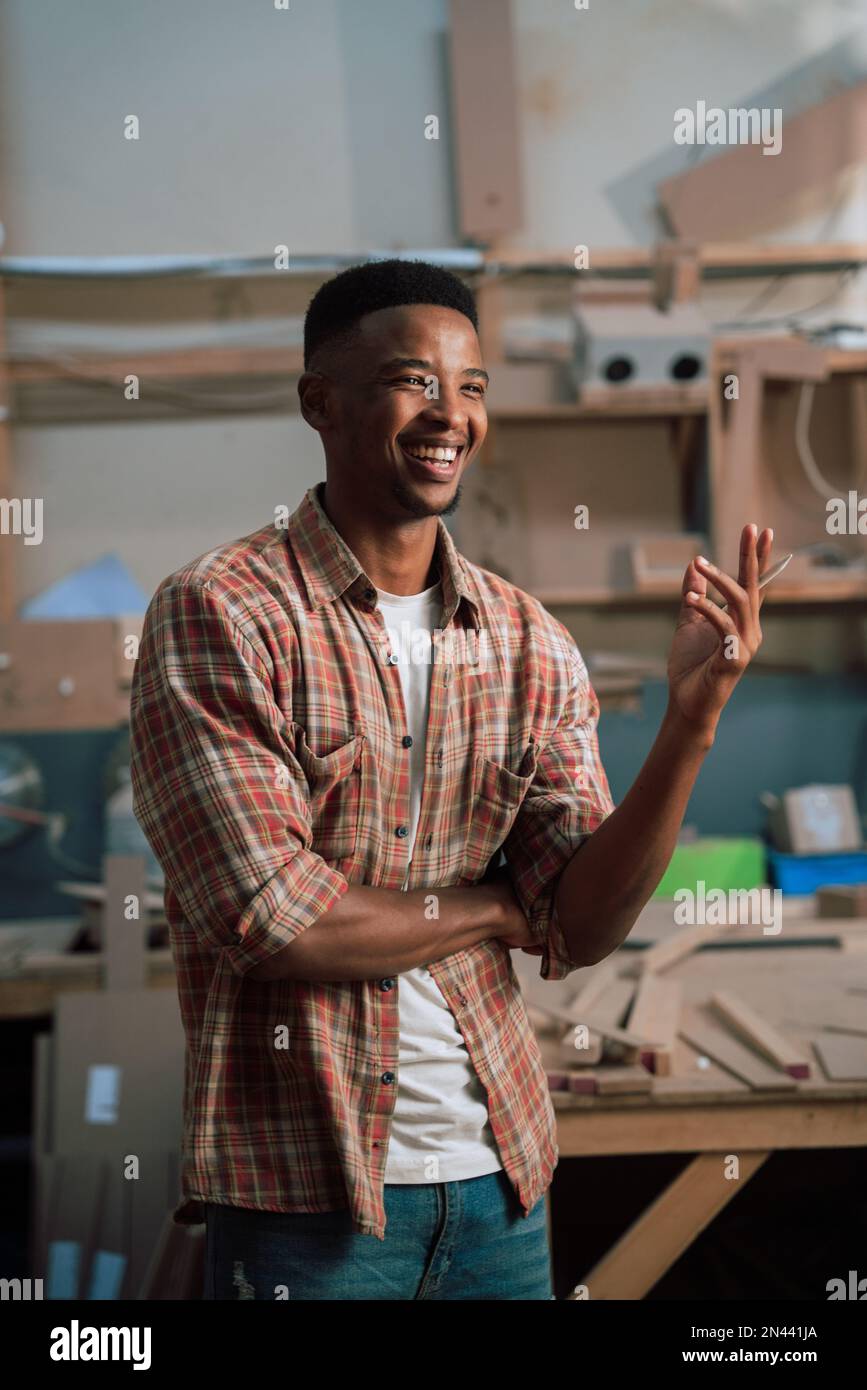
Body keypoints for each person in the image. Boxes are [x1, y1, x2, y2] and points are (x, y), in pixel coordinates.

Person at [129, 258, 771, 1300]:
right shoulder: (222, 613)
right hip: (311, 1204)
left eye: (470, 386)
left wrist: (691, 726)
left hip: (499, 1186)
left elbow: (582, 924)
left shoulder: (527, 638)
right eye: (412, 379)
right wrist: (490, 905)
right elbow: (276, 919)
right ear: (319, 402)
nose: (450, 414)